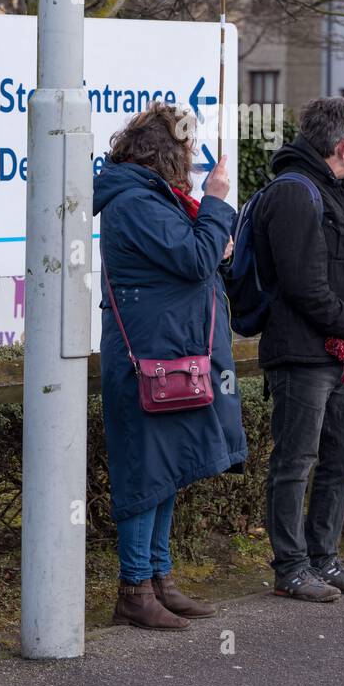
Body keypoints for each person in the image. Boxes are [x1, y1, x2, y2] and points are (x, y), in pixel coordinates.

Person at [93, 103, 246, 629]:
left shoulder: (147, 197)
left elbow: (195, 256)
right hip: (148, 357)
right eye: (185, 150)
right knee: (145, 471)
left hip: (163, 351)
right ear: (165, 153)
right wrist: (218, 205)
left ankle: (159, 579)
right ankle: (135, 589)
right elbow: (193, 259)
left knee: (165, 470)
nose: (191, 160)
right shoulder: (136, 201)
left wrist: (213, 233)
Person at [253, 97, 344, 602]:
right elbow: (303, 283)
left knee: (342, 459)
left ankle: (324, 559)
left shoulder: (338, 191)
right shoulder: (294, 194)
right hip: (303, 355)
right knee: (294, 462)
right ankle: (290, 567)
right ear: (340, 145)